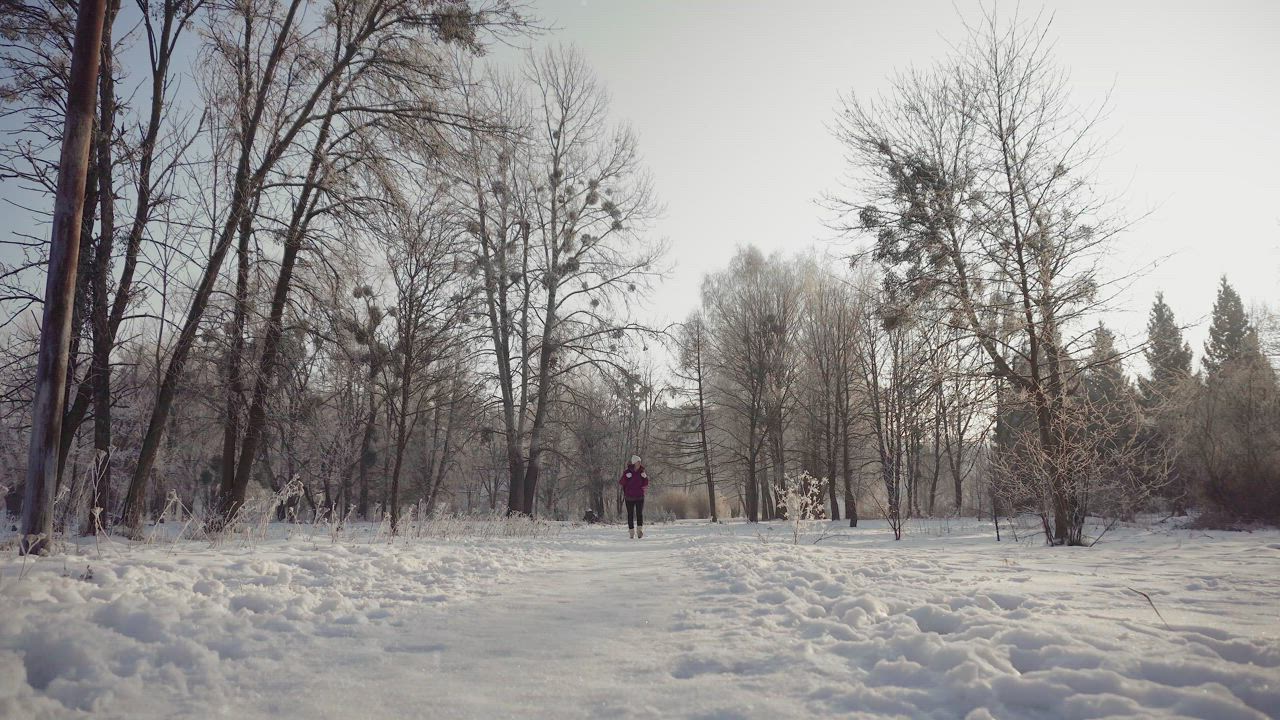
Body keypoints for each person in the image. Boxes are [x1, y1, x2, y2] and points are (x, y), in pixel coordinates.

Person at [619, 455, 649, 539]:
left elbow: (645, 484)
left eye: (640, 462)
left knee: (639, 514)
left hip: (640, 497)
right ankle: (631, 532)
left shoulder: (642, 472)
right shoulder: (627, 472)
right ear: (634, 463)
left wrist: (645, 478)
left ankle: (639, 531)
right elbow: (621, 482)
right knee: (630, 514)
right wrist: (626, 477)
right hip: (629, 497)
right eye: (637, 462)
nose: (639, 463)